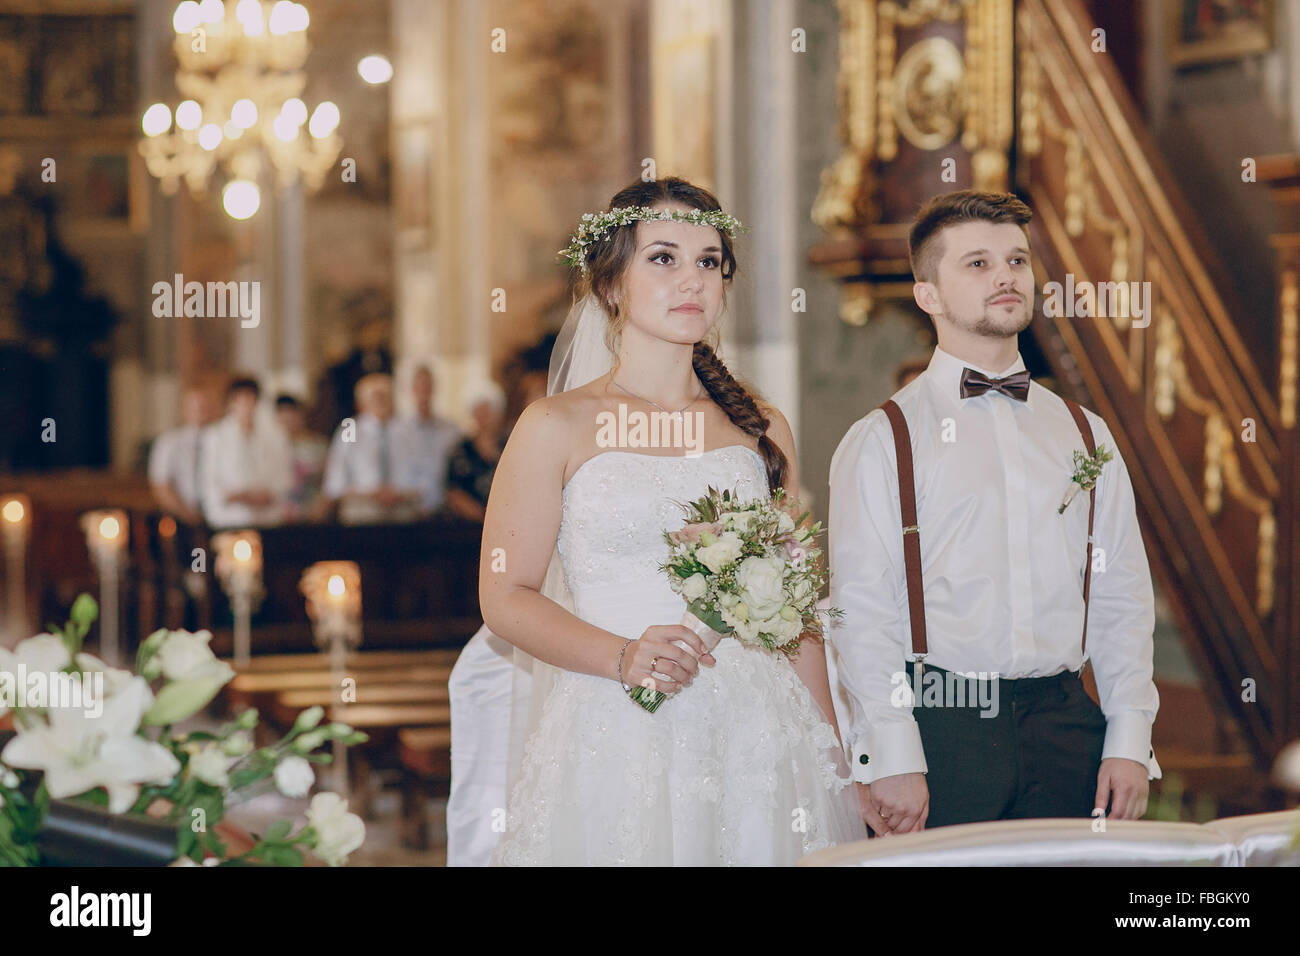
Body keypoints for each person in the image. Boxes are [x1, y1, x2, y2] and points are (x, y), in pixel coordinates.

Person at [478, 177, 864, 865]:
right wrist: (622, 657)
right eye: (663, 258)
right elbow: (504, 596)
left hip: (758, 733)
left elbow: (793, 605)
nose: (692, 279)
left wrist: (834, 757)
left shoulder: (760, 426)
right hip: (615, 721)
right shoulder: (553, 425)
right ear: (610, 286)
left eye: (709, 261)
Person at [829, 190, 1161, 836]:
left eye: (1015, 260)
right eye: (976, 264)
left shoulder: (1083, 432)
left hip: (1067, 720)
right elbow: (862, 610)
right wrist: (892, 751)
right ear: (928, 294)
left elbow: (1122, 592)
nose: (1005, 275)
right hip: (944, 721)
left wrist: (1128, 738)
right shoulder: (884, 437)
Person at [322, 373, 422, 525]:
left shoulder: (409, 430)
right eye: (375, 397)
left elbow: (424, 475)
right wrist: (370, 493)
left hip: (402, 513)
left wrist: (398, 493)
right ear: (361, 402)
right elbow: (335, 479)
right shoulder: (350, 429)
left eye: (385, 396)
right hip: (363, 512)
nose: (380, 401)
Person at [200, 376, 291, 529]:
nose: (246, 406)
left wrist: (265, 496)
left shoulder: (276, 436)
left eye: (251, 399)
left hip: (267, 519)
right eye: (241, 400)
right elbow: (209, 482)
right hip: (229, 520)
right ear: (231, 403)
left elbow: (283, 477)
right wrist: (237, 497)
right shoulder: (215, 436)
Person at [391, 365, 460, 516]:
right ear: (411, 390)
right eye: (419, 387)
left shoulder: (451, 431)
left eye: (427, 387)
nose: (423, 392)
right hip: (406, 511)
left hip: (444, 511)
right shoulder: (397, 431)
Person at [148, 384, 219, 525]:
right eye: (195, 407)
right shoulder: (168, 443)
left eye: (205, 407)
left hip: (218, 517)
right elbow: (161, 485)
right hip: (180, 519)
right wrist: (187, 514)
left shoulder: (221, 442)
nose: (200, 412)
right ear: (184, 410)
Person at [444, 380, 506, 523]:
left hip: (505, 523)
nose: (484, 417)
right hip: (468, 526)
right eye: (479, 412)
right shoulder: (460, 449)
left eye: (488, 411)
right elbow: (453, 491)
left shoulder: (510, 445)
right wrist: (482, 517)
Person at [274, 394, 330, 522]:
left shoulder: (318, 445)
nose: (288, 421)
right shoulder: (269, 448)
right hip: (280, 516)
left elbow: (330, 480)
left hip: (314, 514)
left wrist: (322, 506)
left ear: (302, 416)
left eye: (292, 415)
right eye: (282, 416)